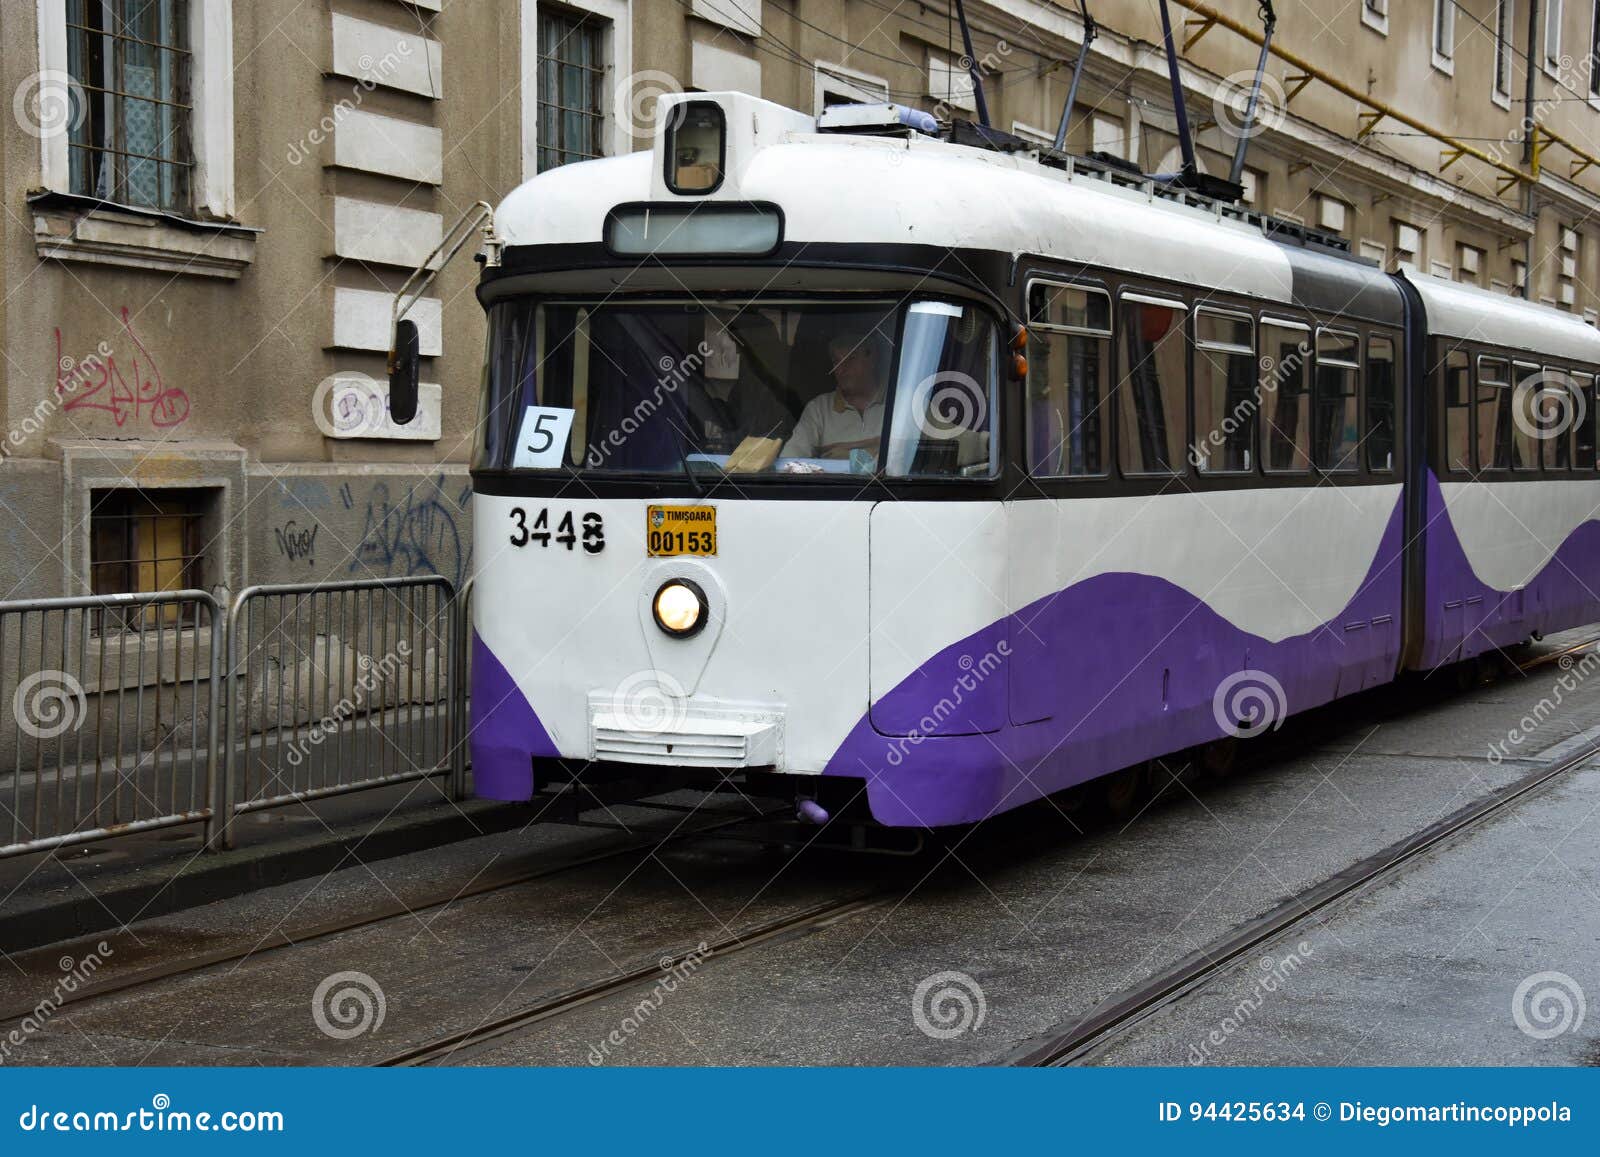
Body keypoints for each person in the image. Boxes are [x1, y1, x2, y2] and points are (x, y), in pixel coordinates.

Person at [781, 324, 892, 461]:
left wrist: (849, 456)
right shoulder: (819, 409)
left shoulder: (898, 402)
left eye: (851, 358)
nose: (841, 369)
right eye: (836, 361)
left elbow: (910, 459)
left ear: (872, 359)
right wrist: (874, 451)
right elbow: (790, 460)